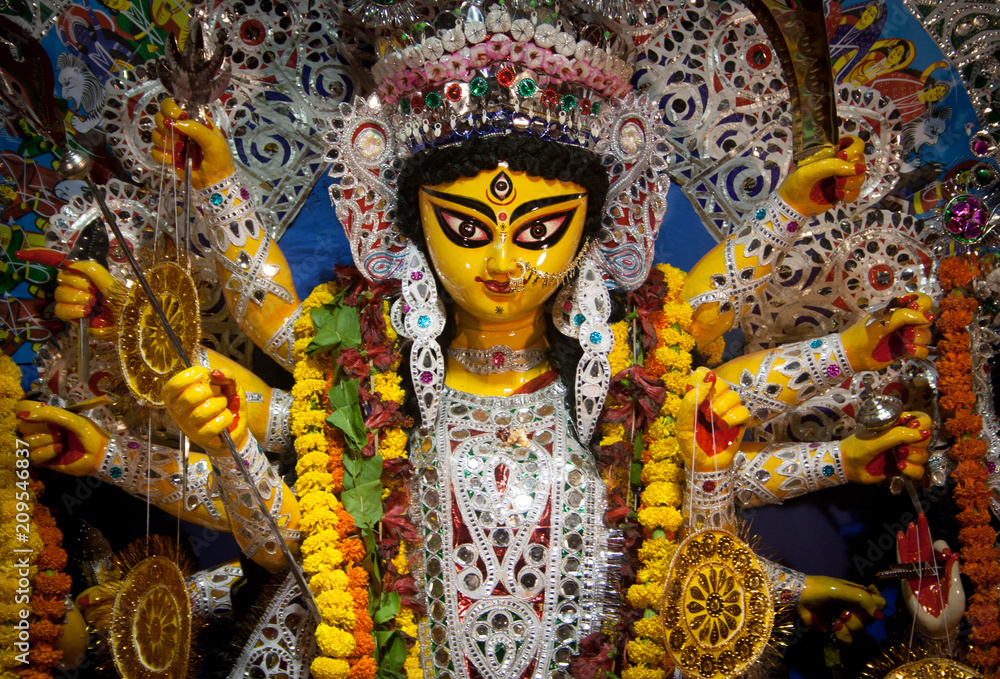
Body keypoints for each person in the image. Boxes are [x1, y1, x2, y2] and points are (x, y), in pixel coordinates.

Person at [16, 5, 937, 676]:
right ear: (408, 223)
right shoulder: (352, 371)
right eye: (467, 225)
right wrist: (123, 431)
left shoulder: (632, 379)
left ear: (593, 230)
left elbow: (721, 447)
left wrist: (851, 409)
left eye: (540, 229)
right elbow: (276, 517)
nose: (502, 259)